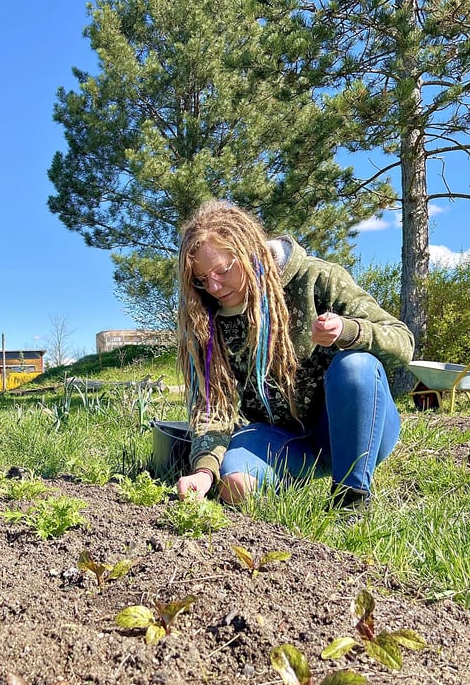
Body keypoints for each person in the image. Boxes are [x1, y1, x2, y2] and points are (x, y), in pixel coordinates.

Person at [174, 200, 413, 509]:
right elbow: (213, 406)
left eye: (222, 270)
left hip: (357, 430)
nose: (214, 287)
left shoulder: (318, 279)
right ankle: (288, 481)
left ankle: (351, 497)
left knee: (356, 366)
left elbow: (403, 343)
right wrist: (205, 471)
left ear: (249, 251)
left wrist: (348, 331)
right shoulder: (206, 319)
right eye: (202, 279)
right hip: (282, 440)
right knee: (234, 484)